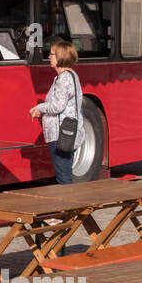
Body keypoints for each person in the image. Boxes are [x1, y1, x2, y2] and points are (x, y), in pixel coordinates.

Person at [29, 39, 84, 184]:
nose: (49, 57)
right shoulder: (70, 76)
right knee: (65, 174)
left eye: (52, 54)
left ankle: (70, 206)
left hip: (61, 134)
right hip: (67, 132)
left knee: (64, 178)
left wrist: (40, 108)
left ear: (61, 56)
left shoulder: (63, 79)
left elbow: (58, 106)